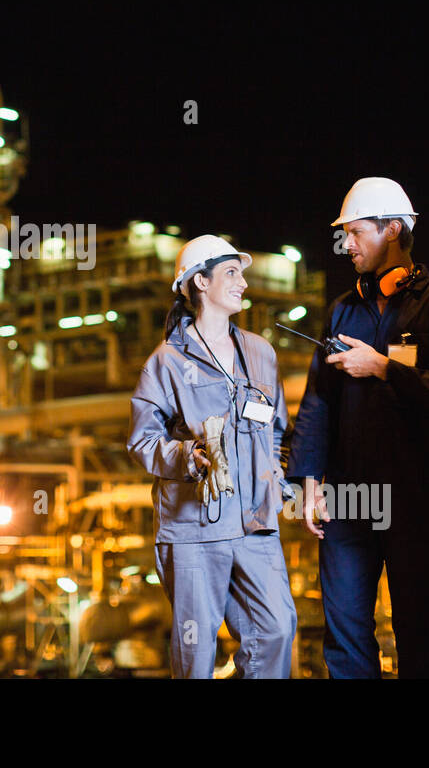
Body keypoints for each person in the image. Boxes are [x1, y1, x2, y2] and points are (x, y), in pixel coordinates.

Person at [286, 177, 429, 678]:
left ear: (393, 230)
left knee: (420, 634)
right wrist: (310, 483)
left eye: (355, 233)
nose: (346, 245)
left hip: (418, 496)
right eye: (344, 234)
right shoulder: (343, 310)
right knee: (345, 633)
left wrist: (386, 369)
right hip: (349, 497)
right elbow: (318, 401)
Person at [128, 234, 298, 678]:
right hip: (193, 531)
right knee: (196, 650)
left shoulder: (261, 352)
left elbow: (278, 430)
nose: (243, 282)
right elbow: (142, 442)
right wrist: (187, 455)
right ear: (200, 282)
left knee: (278, 628)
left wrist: (283, 487)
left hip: (255, 524)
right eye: (231, 273)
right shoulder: (166, 362)